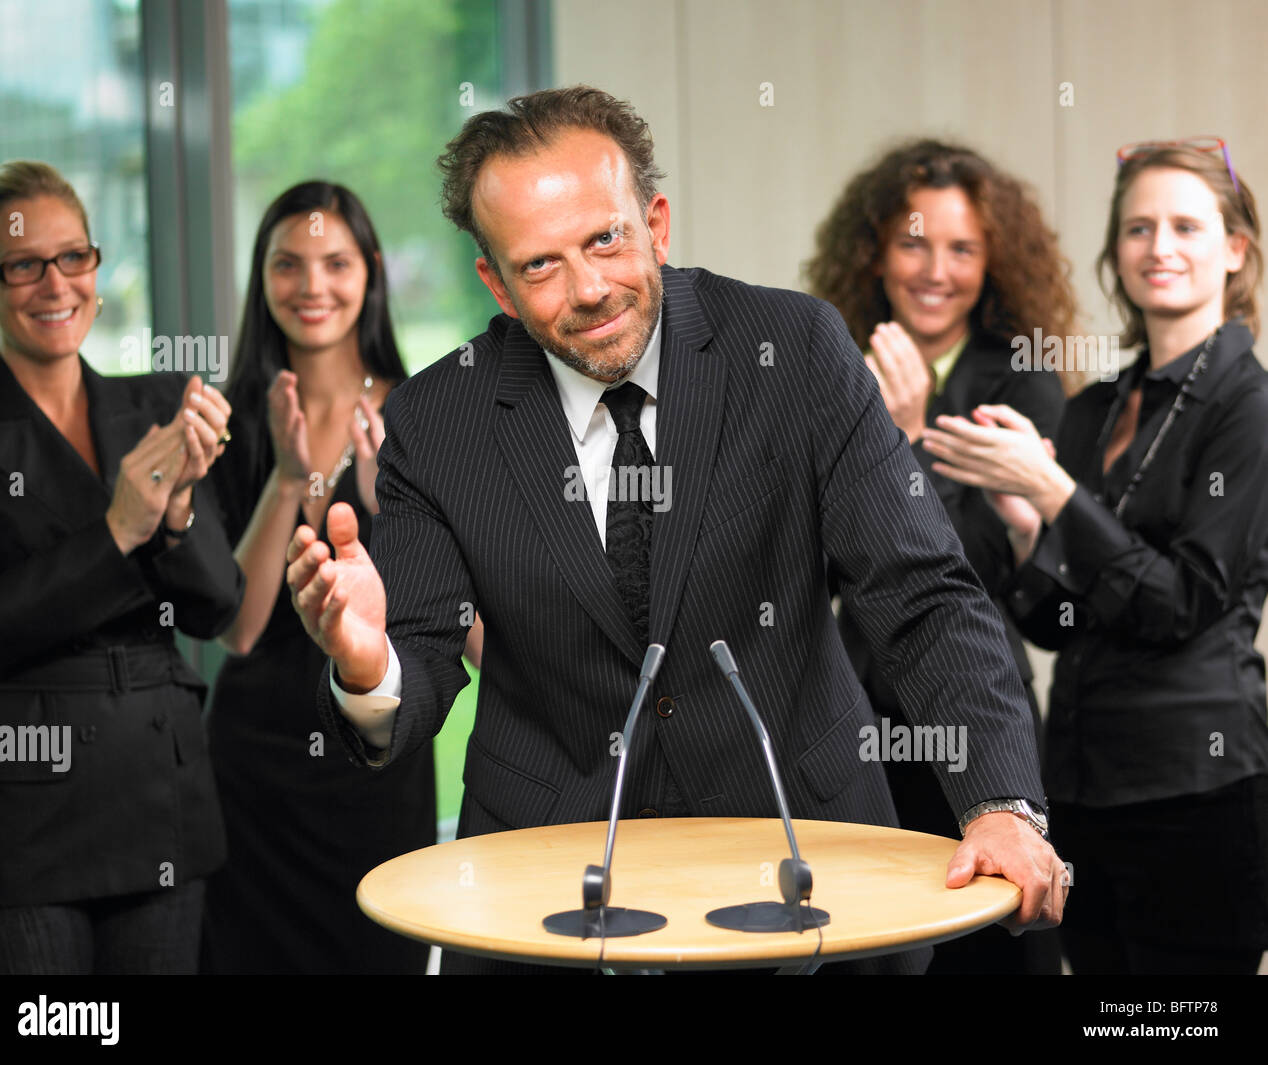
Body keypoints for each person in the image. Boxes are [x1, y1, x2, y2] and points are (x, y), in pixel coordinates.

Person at [286, 86, 1069, 975]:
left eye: (605, 240)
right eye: (539, 266)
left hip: (802, 866)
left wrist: (1002, 801)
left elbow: (923, 595)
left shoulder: (796, 348)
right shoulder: (437, 417)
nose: (588, 290)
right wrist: (367, 664)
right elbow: (418, 658)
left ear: (655, 223)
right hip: (542, 890)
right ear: (495, 284)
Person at [922, 139, 1268, 974]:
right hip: (1078, 785)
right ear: (1116, 253)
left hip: (1195, 791)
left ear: (1235, 250)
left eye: (1187, 225)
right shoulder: (1096, 409)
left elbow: (1182, 602)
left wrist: (1054, 496)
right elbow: (1048, 621)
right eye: (1139, 228)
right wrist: (1025, 525)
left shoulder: (1248, 407)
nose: (1161, 247)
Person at [805, 139, 1074, 974]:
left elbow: (978, 563)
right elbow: (816, 553)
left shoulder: (1021, 380)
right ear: (874, 252)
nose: (936, 270)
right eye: (913, 242)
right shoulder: (825, 364)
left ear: (994, 262)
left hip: (978, 720)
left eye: (963, 248)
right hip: (859, 722)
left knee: (994, 949)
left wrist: (910, 438)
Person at [0, 160, 240, 974]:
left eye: (73, 257)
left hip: (160, 787)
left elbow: (218, 606)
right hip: (25, 810)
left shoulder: (155, 406)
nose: (55, 284)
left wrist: (181, 512)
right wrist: (119, 527)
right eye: (24, 264)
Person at [201, 181, 468, 974]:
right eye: (288, 264)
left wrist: (395, 503)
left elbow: (468, 627)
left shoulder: (424, 414)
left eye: (335, 262)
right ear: (263, 278)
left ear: (372, 271)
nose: (312, 286)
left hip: (372, 754)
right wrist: (288, 480)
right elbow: (239, 627)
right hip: (253, 762)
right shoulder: (227, 418)